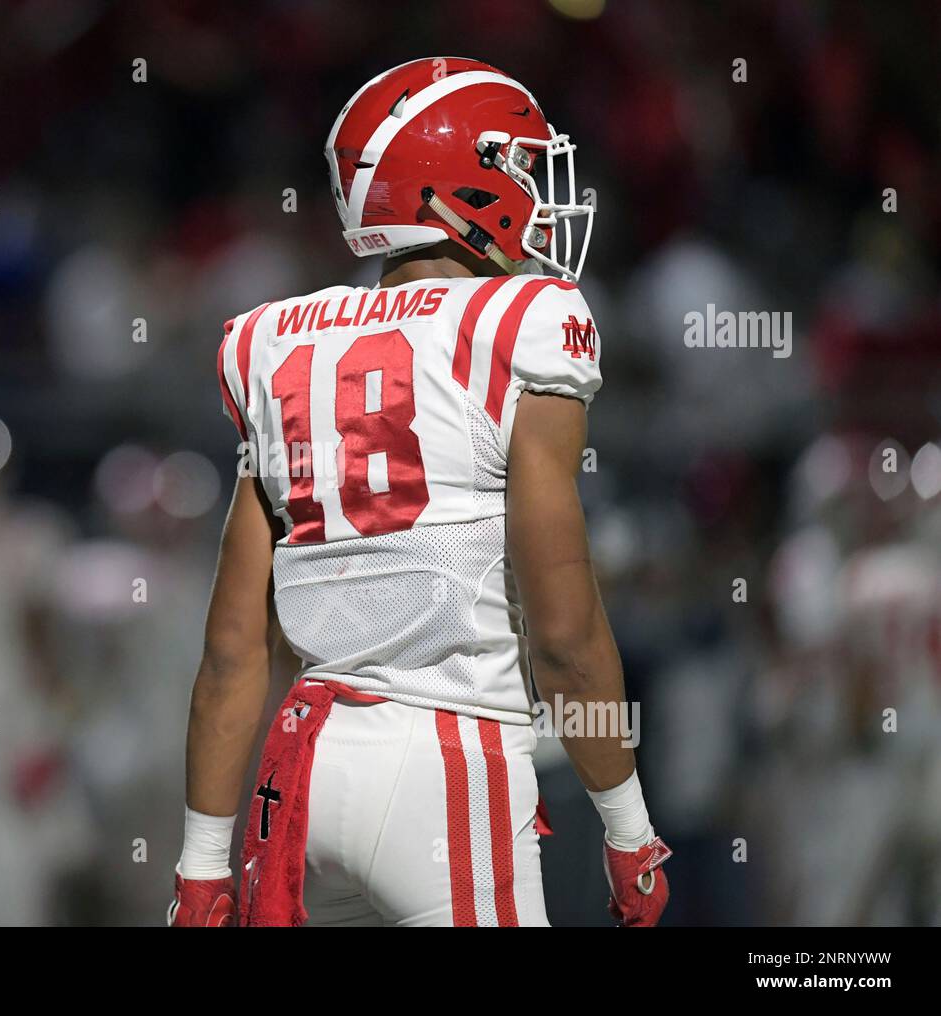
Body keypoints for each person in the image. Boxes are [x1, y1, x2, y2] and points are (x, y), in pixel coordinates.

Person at [170, 57, 671, 927]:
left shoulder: (270, 341)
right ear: (456, 189)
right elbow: (562, 633)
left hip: (302, 771)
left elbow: (234, 649)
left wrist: (200, 861)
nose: (539, 194)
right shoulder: (522, 322)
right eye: (518, 167)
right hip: (450, 757)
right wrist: (628, 826)